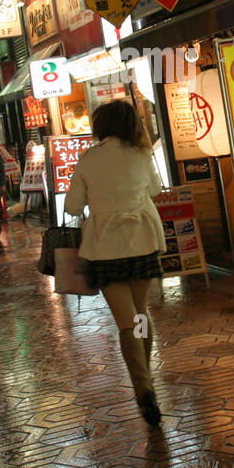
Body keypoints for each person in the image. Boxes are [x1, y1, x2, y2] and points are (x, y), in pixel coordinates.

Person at [64, 100, 166, 426]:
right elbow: (155, 189)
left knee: (127, 321)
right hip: (143, 240)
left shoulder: (89, 159)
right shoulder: (141, 155)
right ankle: (146, 380)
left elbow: (72, 206)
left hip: (105, 247)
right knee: (140, 314)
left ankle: (143, 389)